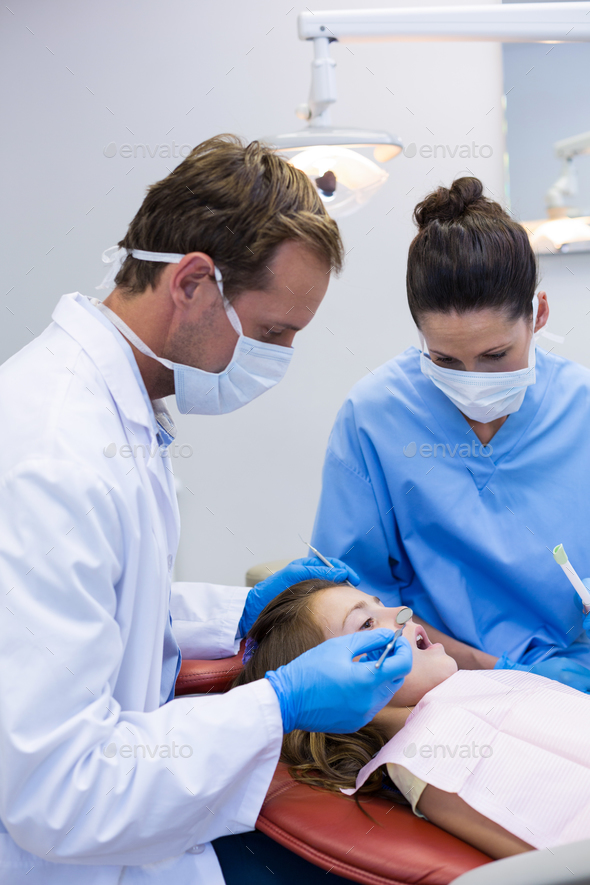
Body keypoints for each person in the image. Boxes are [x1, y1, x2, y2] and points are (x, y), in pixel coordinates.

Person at [0, 135, 412, 885]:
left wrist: (235, 612)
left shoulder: (113, 412)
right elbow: (59, 793)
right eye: (272, 334)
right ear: (192, 281)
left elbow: (99, 606)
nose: (278, 360)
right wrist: (279, 705)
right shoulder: (56, 452)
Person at [311, 175, 590, 692]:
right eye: (445, 360)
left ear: (539, 314)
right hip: (434, 686)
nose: (473, 384)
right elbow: (351, 600)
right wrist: (488, 674)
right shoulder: (375, 417)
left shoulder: (582, 407)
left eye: (495, 355)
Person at [234, 579, 590, 863]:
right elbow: (555, 866)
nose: (403, 610)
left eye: (380, 602)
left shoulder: (471, 689)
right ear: (334, 684)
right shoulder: (425, 758)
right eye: (368, 623)